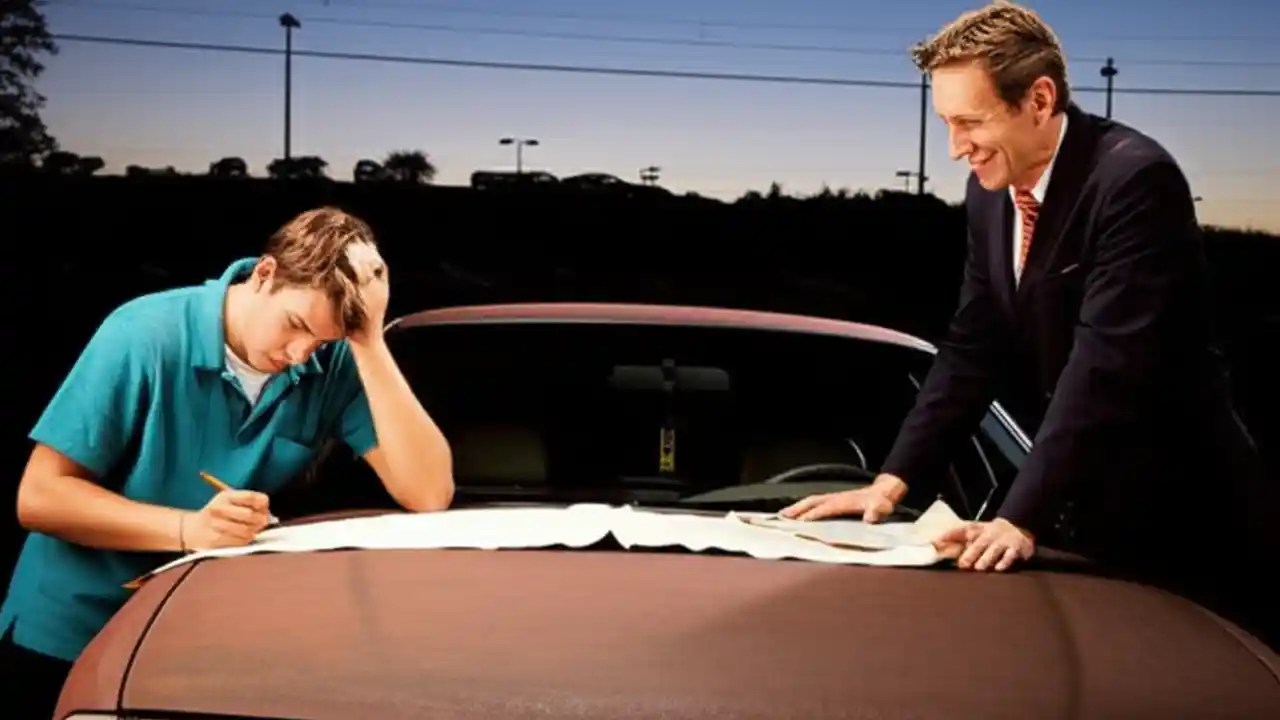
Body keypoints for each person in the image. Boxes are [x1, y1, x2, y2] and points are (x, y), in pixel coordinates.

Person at [781, 1, 1276, 645]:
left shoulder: (1134, 180)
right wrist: (892, 483)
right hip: (1085, 518)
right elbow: (970, 347)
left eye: (970, 122)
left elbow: (1105, 366)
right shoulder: (990, 193)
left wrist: (1021, 518)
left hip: (1189, 522)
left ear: (1039, 100)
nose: (956, 148)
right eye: (946, 123)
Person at [1, 206, 455, 717]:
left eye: (324, 340)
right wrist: (187, 529)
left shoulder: (332, 359)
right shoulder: (142, 333)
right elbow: (39, 497)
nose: (302, 353)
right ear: (265, 274)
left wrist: (367, 340)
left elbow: (429, 492)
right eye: (297, 325)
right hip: (71, 635)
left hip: (199, 639)